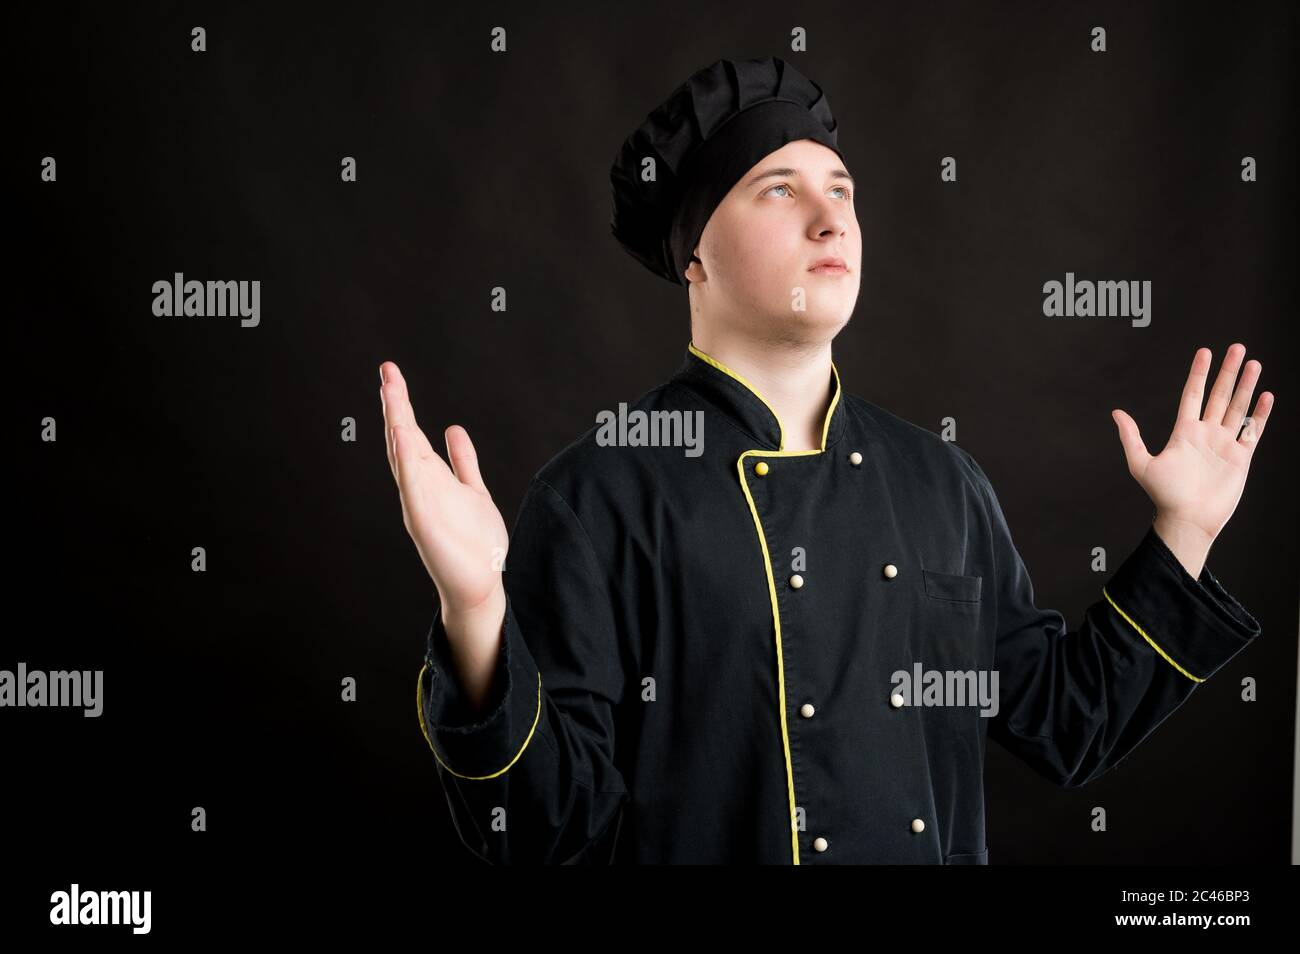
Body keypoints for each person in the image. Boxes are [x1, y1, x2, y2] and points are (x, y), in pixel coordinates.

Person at [379, 57, 1272, 864]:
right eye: (777, 189)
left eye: (841, 190)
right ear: (694, 256)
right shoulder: (599, 494)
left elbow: (1067, 724)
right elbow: (545, 825)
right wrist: (476, 614)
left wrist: (1182, 534)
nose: (828, 217)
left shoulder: (941, 482)